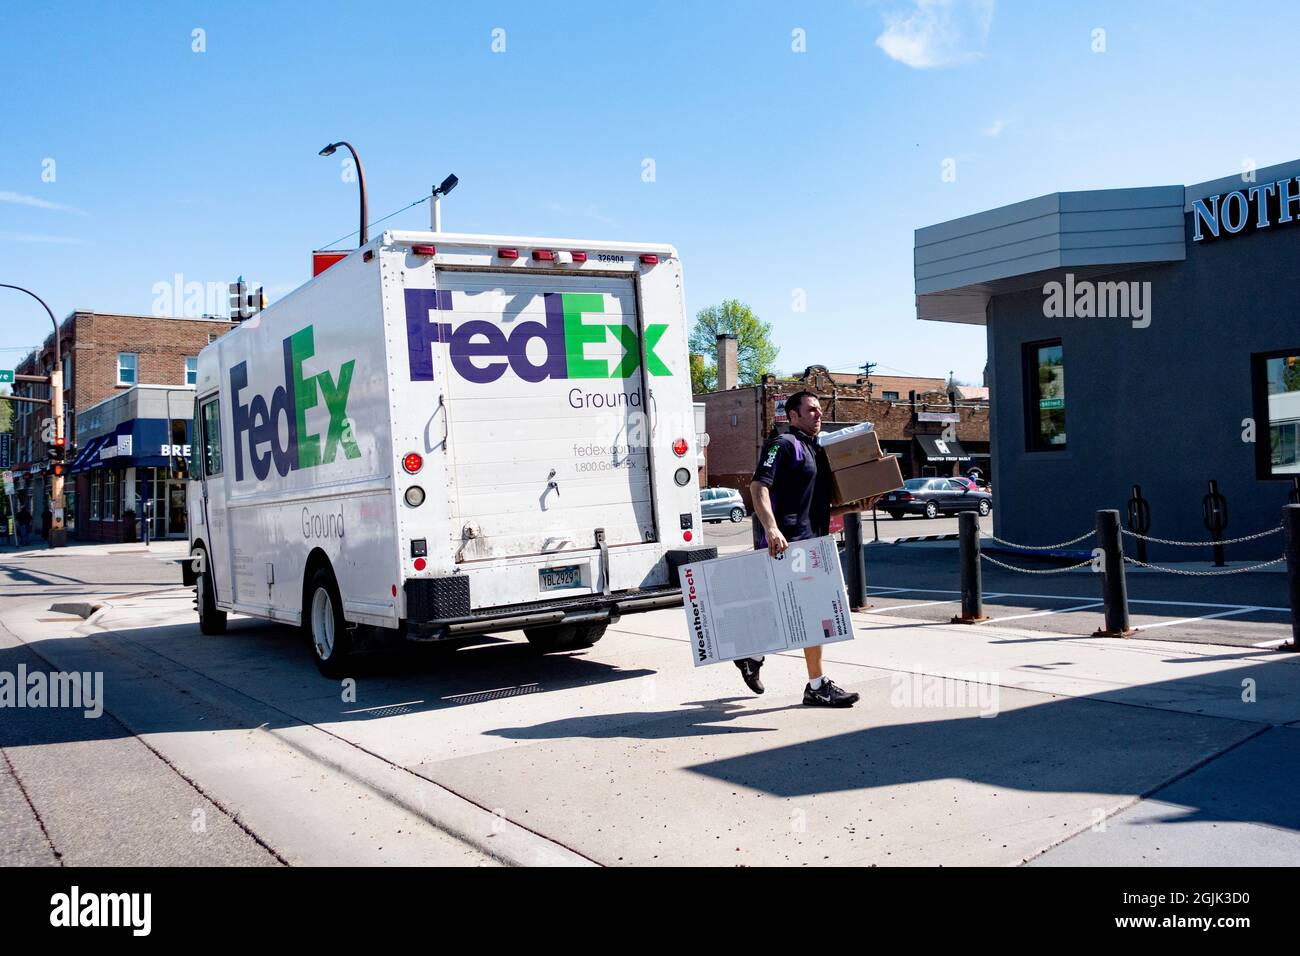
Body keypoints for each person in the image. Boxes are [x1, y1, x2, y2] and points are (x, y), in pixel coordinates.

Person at [736, 391, 877, 707]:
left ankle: (754, 655)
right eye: (811, 410)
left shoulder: (817, 450)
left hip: (812, 541)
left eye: (819, 410)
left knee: (800, 613)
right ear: (793, 415)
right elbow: (759, 486)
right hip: (788, 544)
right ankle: (815, 685)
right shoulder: (783, 445)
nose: (818, 414)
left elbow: (819, 506)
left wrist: (856, 507)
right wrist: (771, 529)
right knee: (813, 614)